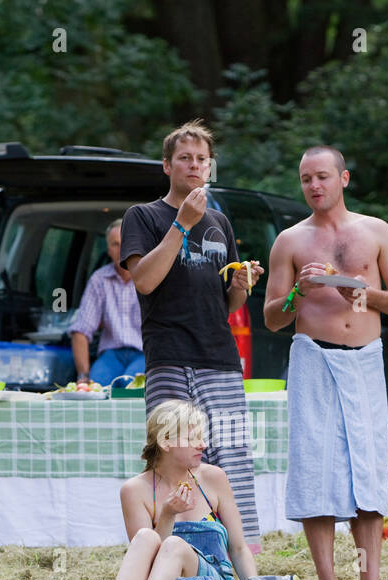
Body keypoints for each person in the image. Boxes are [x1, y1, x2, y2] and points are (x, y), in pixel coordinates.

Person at [262, 145, 388, 580]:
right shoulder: (289, 241)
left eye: (323, 176)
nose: (314, 186)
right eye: (306, 178)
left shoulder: (375, 231)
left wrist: (360, 292)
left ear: (343, 178)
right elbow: (271, 318)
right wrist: (298, 295)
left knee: (368, 470)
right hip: (313, 359)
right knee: (317, 469)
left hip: (365, 358)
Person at [120, 119, 264, 547]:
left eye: (202, 159)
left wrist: (240, 286)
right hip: (168, 354)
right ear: (167, 165)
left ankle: (241, 554)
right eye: (185, 158)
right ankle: (171, 551)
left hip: (219, 356)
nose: (194, 165)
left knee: (232, 456)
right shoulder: (143, 216)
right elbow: (144, 280)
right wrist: (181, 225)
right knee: (171, 454)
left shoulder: (220, 221)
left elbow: (228, 303)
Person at [91, 400, 257, 580]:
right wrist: (167, 514)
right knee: (147, 537)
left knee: (175, 545)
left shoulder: (213, 478)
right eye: (193, 438)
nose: (203, 444)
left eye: (202, 436)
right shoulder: (135, 490)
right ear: (165, 442)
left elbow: (239, 549)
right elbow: (143, 561)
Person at [69, 218, 144, 386]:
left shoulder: (150, 276)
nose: (121, 249)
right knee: (96, 388)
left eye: (126, 242)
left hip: (144, 353)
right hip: (110, 354)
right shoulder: (99, 279)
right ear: (108, 249)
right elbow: (80, 330)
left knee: (128, 387)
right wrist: (83, 377)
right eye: (115, 244)